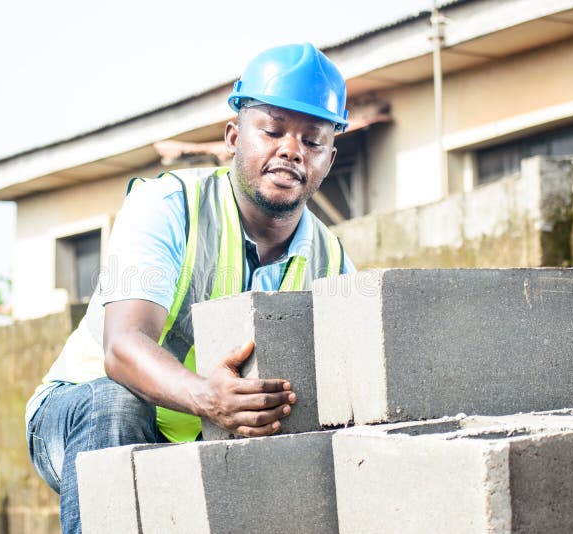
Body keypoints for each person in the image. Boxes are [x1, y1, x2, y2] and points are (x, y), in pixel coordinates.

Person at [25, 42, 356, 532]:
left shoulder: (332, 261)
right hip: (80, 415)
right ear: (233, 137)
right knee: (116, 404)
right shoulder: (164, 206)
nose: (291, 149)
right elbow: (122, 346)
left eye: (312, 140)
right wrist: (208, 397)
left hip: (205, 435)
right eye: (272, 130)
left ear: (329, 159)